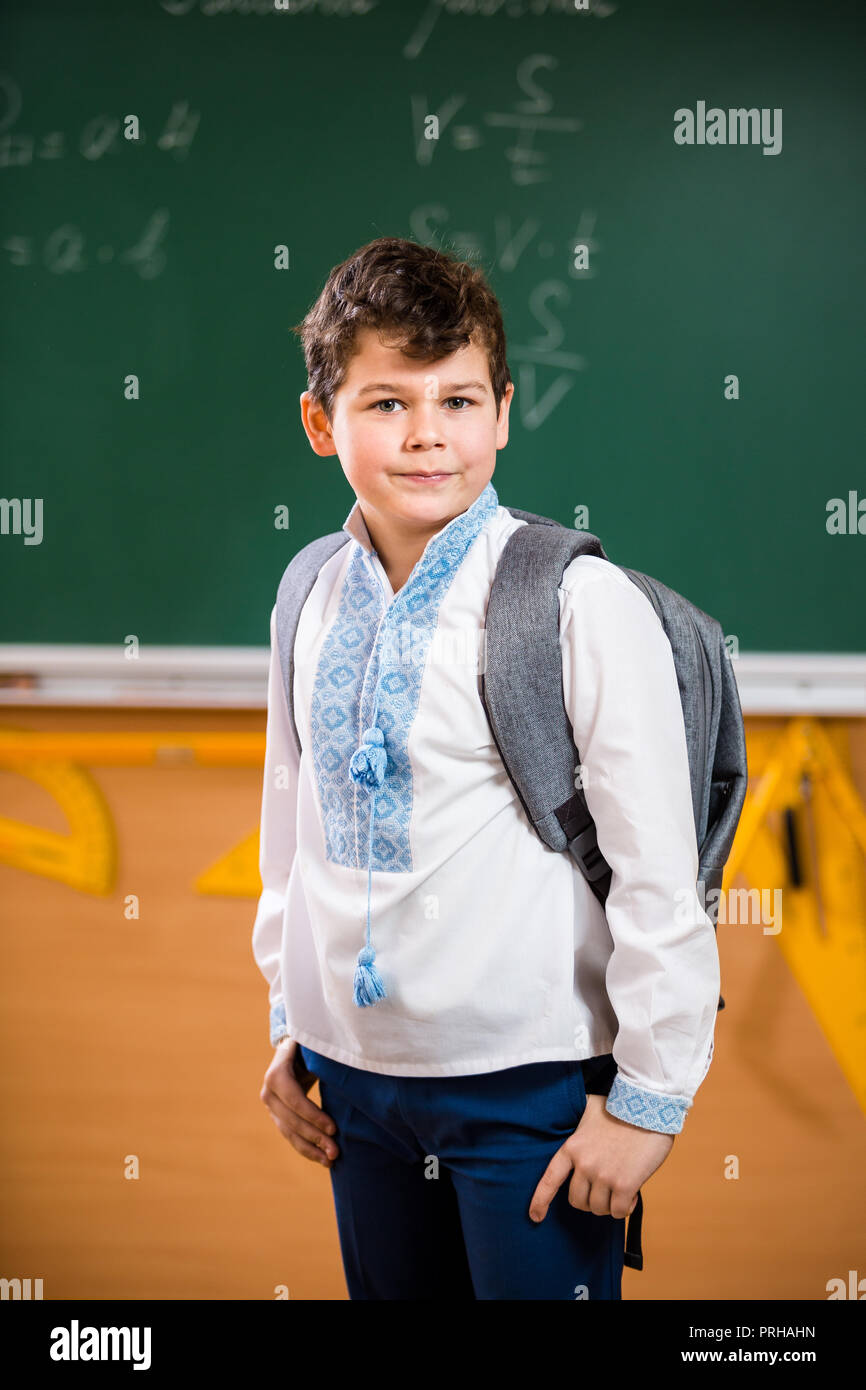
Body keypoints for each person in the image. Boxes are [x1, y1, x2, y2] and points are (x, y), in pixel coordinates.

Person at [252, 236, 720, 1300]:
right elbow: (295, 828)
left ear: (502, 413)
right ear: (320, 422)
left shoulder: (573, 603)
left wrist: (647, 1101)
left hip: (525, 1090)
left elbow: (658, 873)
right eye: (384, 404)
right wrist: (292, 1019)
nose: (427, 436)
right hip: (352, 1089)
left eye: (458, 401)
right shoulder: (306, 592)